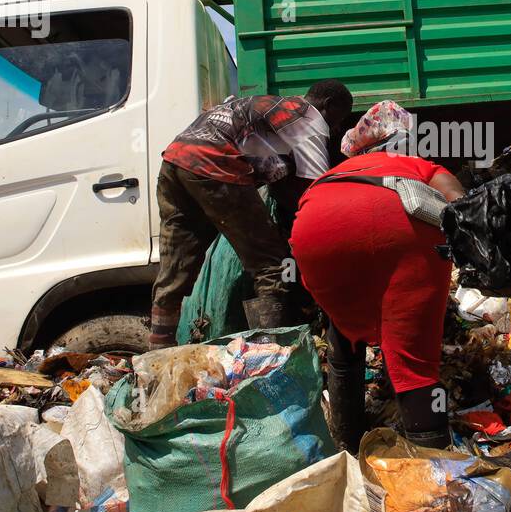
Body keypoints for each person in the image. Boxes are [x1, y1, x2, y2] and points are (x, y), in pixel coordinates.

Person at [289, 100, 465, 453]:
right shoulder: (418, 165)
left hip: (315, 230)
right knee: (414, 361)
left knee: (342, 333)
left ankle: (348, 442)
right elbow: (462, 205)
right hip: (400, 232)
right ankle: (433, 459)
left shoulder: (337, 171)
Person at [148, 80, 353, 347]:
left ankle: (156, 356)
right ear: (328, 105)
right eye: (339, 119)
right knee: (271, 266)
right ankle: (271, 358)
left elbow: (282, 187)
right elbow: (314, 194)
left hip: (175, 161)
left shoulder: (266, 106)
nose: (336, 128)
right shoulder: (307, 119)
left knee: (176, 267)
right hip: (214, 163)